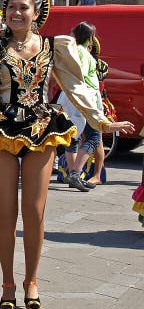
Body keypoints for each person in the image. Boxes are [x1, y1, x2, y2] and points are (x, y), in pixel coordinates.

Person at [0, 0, 134, 309]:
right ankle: (8, 283)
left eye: (23, 8)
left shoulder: (55, 46)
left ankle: (31, 281)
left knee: (34, 212)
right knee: (6, 210)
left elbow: (77, 87)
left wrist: (101, 121)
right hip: (0, 130)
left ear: (37, 13)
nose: (16, 13)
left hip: (41, 128)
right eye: (11, 8)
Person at [58, 22, 104, 192]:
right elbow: (81, 76)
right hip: (85, 97)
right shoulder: (83, 53)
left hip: (72, 96)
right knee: (94, 136)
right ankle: (76, 173)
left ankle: (73, 174)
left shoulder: (73, 51)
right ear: (90, 37)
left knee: (73, 136)